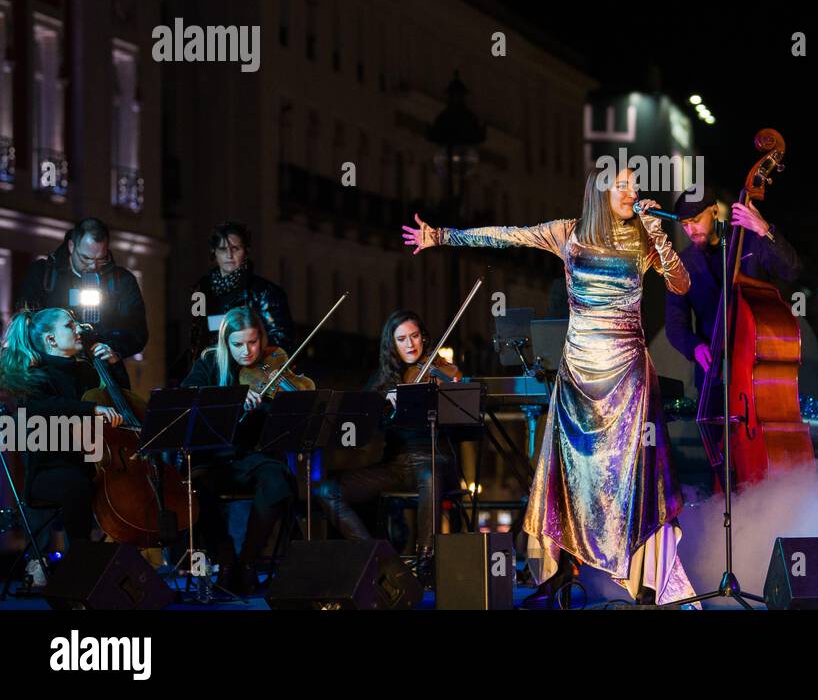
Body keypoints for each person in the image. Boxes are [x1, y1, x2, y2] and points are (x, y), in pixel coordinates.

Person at [402, 166, 696, 606]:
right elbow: (507, 236)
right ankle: (562, 570)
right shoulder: (568, 233)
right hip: (579, 377)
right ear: (599, 192)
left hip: (629, 378)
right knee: (569, 478)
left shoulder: (642, 237)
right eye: (622, 185)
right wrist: (442, 235)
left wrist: (658, 235)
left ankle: (646, 581)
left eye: (635, 185)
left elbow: (681, 284)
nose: (632, 192)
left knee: (634, 478)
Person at [315, 310, 461, 557]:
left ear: (424, 338)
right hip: (395, 465)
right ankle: (375, 554)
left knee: (430, 475)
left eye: (414, 336)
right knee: (327, 490)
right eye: (401, 339)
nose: (410, 344)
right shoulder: (383, 378)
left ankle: (426, 558)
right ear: (392, 345)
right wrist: (381, 402)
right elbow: (359, 423)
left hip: (435, 458)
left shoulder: (440, 371)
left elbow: (459, 416)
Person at [181, 307, 296, 595]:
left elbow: (287, 420)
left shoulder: (272, 365)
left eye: (253, 342)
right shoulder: (209, 363)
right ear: (226, 343)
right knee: (195, 488)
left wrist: (274, 406)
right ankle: (225, 560)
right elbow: (187, 399)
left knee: (277, 480)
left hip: (254, 455)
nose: (247, 351)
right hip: (214, 457)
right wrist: (233, 399)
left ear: (262, 339)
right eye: (238, 344)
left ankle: (248, 561)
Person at [0, 309, 125, 542]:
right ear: (51, 339)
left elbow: (120, 401)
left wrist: (114, 364)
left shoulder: (86, 371)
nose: (79, 329)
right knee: (76, 485)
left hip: (91, 465)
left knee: (113, 485)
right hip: (49, 472)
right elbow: (44, 408)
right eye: (69, 325)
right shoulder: (35, 375)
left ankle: (115, 552)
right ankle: (81, 552)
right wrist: (91, 409)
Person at [665, 187, 800, 396]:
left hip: (758, 370)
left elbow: (791, 270)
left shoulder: (750, 241)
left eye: (696, 221)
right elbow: (675, 324)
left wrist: (764, 230)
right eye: (685, 224)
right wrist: (695, 347)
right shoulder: (682, 264)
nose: (691, 230)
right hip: (714, 375)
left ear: (714, 211)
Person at [17, 218, 148, 363]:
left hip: (101, 368)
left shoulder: (122, 281)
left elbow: (137, 333)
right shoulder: (42, 274)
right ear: (71, 246)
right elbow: (26, 325)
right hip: (51, 369)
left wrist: (113, 349)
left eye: (101, 259)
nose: (93, 266)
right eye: (86, 258)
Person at [189, 222, 294, 364]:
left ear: (246, 251)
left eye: (235, 249)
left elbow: (281, 339)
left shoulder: (265, 291)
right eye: (222, 249)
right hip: (211, 368)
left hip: (249, 368)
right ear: (214, 252)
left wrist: (250, 361)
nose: (229, 255)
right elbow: (196, 335)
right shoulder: (200, 290)